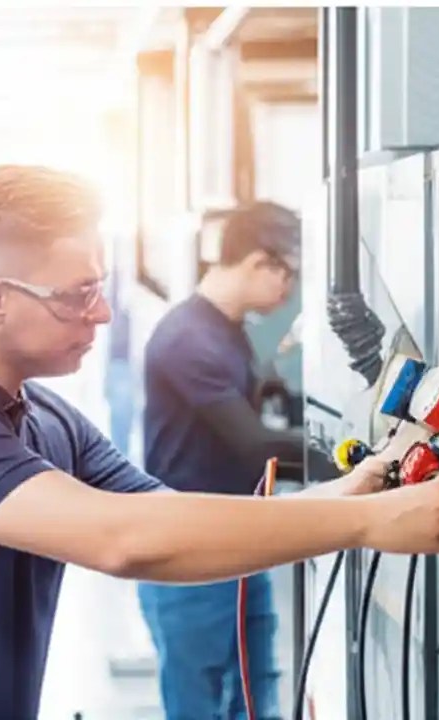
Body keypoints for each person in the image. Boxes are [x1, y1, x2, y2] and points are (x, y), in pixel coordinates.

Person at [0, 165, 439, 720]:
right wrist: (368, 524)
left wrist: (351, 490)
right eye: (76, 295)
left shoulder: (42, 416)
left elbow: (169, 516)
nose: (101, 313)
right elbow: (124, 540)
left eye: (99, 287)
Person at [139, 201, 312, 720]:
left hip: (236, 542)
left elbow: (266, 400)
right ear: (260, 261)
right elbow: (256, 444)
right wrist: (351, 458)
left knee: (257, 696)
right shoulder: (189, 338)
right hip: (190, 553)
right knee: (202, 702)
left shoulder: (228, 330)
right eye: (290, 274)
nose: (290, 290)